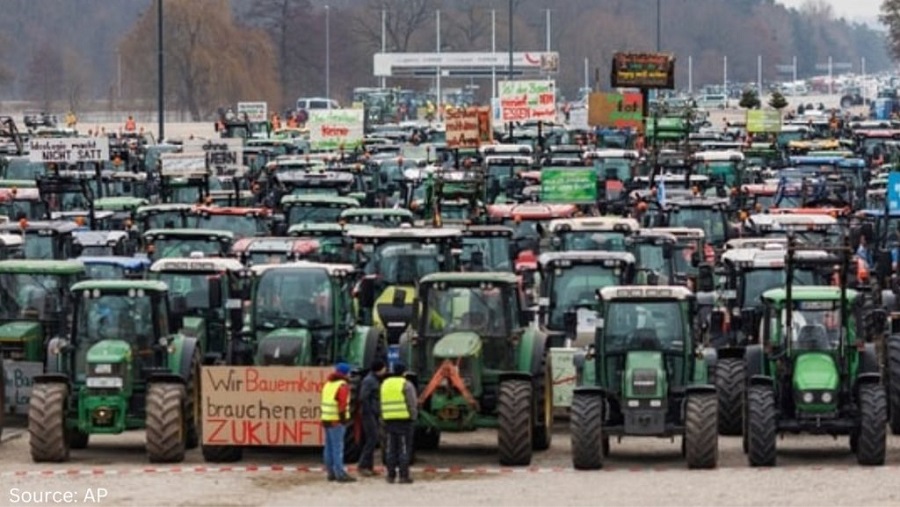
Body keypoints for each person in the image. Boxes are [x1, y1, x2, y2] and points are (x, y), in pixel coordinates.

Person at [381, 362, 417, 484]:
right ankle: (403, 476)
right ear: (404, 372)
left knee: (390, 449)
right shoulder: (406, 384)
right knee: (403, 449)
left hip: (388, 421)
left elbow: (381, 402)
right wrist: (413, 417)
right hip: (403, 421)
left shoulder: (385, 384)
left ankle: (390, 476)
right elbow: (412, 403)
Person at [320, 362, 356, 482]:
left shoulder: (328, 384)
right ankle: (340, 474)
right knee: (338, 448)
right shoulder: (342, 386)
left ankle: (330, 473)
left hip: (326, 419)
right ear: (346, 373)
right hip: (336, 420)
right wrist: (343, 419)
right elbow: (342, 404)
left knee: (328, 447)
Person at [357, 359, 387, 476]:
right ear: (379, 369)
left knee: (373, 440)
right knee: (372, 439)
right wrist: (370, 411)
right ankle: (362, 465)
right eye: (384, 368)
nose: (386, 370)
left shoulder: (374, 380)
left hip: (372, 414)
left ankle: (369, 467)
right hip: (369, 414)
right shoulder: (369, 381)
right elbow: (363, 397)